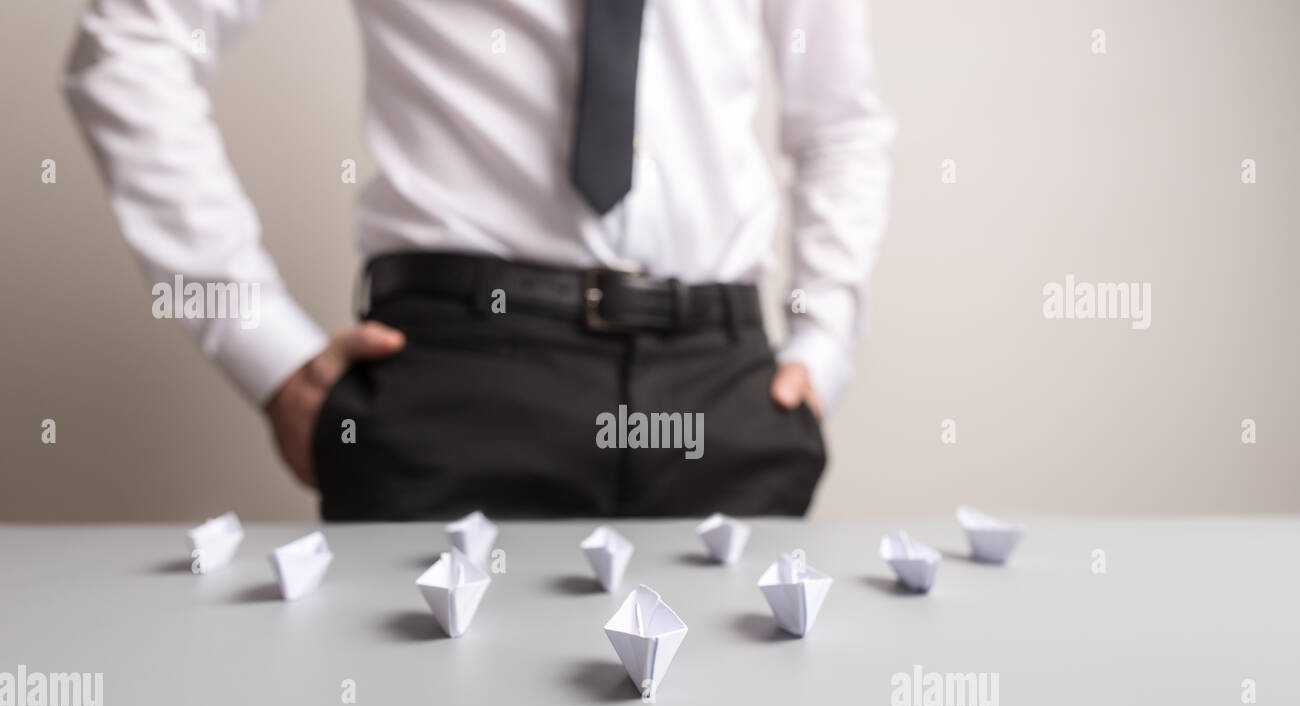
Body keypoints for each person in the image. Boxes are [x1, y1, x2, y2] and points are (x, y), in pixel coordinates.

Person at [64, 0, 893, 520]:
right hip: (458, 383)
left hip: (720, 393)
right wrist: (262, 349)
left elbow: (840, 121)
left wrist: (824, 342)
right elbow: (130, 44)